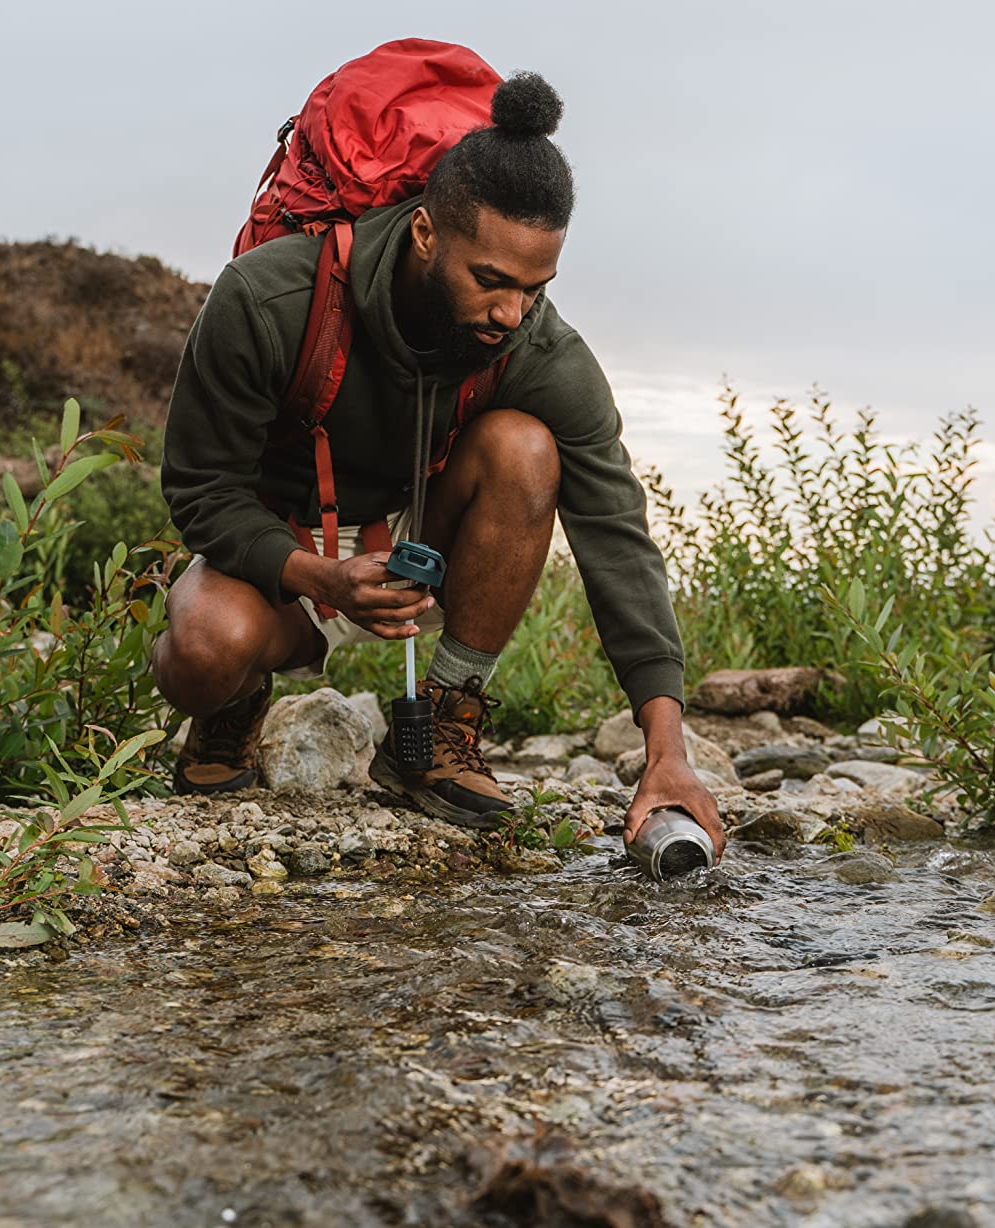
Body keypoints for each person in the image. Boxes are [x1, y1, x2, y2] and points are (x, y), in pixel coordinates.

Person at [151, 69, 726, 854]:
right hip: (282, 550)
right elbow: (199, 489)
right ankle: (234, 707)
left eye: (534, 287)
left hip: (423, 540)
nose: (509, 314)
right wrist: (321, 579)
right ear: (425, 233)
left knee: (524, 448)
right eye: (489, 280)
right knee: (202, 651)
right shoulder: (268, 298)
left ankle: (445, 728)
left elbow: (616, 533)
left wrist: (668, 750)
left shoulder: (537, 346)